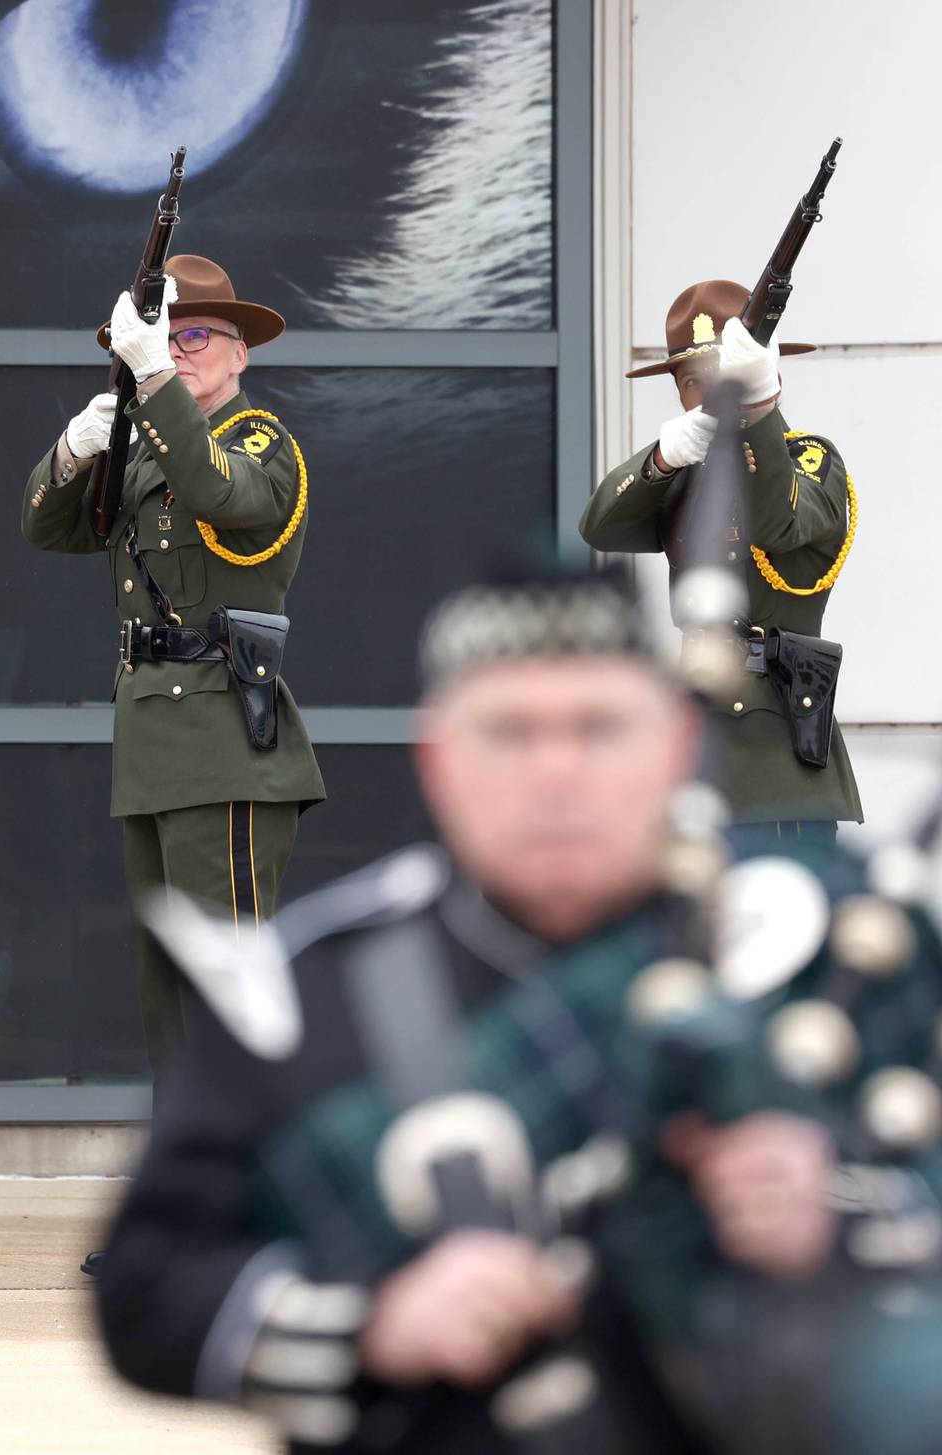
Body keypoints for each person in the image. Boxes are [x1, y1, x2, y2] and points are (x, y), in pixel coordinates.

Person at [97, 562, 839, 1453]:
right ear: (439, 757)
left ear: (679, 744)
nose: (557, 772)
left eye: (599, 728)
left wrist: (835, 1213)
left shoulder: (812, 962)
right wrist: (366, 1326)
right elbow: (144, 1290)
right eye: (511, 731)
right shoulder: (299, 994)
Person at [21, 254, 325, 1069]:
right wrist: (76, 449)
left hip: (225, 738)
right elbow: (49, 529)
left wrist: (152, 382)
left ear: (241, 353)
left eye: (196, 335)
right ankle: (191, 1172)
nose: (179, 349)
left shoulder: (262, 441)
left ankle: (246, 1182)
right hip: (154, 741)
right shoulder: (145, 453)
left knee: (227, 986)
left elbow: (226, 496)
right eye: (163, 336)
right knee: (169, 994)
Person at [579, 279, 860, 836]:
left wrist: (759, 412)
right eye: (692, 382)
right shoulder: (685, 475)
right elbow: (600, 527)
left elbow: (779, 523)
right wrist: (661, 458)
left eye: (723, 376)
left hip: (775, 755)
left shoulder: (812, 460)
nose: (709, 394)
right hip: (690, 747)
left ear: (770, 371)